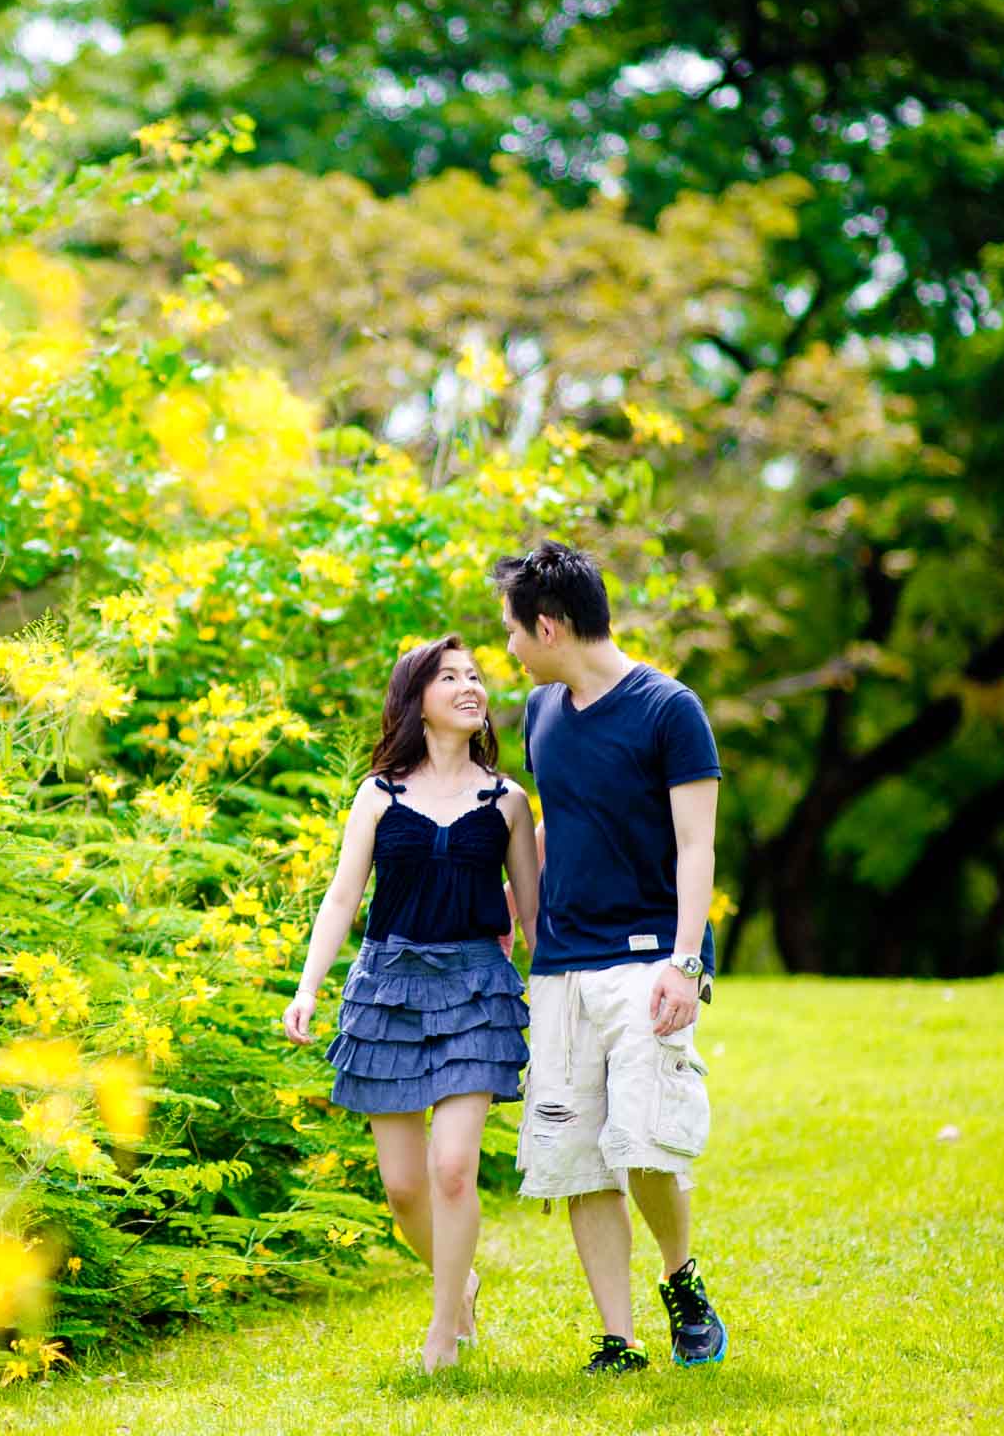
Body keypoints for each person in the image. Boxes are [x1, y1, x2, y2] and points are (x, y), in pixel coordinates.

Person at [491, 539, 729, 1373]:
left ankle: (681, 1279)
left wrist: (686, 962)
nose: (509, 649)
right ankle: (618, 1339)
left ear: (548, 626)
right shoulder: (543, 714)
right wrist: (514, 905)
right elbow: (565, 820)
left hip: (647, 958)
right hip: (560, 967)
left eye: (514, 632)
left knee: (646, 1143)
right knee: (579, 1156)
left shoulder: (670, 709)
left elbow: (696, 846)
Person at [281, 634, 540, 1372]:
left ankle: (441, 1332)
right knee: (402, 1190)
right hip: (386, 989)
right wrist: (307, 987)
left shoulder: (508, 801)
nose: (470, 687)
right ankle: (463, 1282)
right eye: (450, 677)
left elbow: (531, 914)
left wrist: (554, 988)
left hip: (473, 990)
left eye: (476, 677)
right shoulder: (378, 794)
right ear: (415, 697)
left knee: (452, 1167)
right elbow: (341, 898)